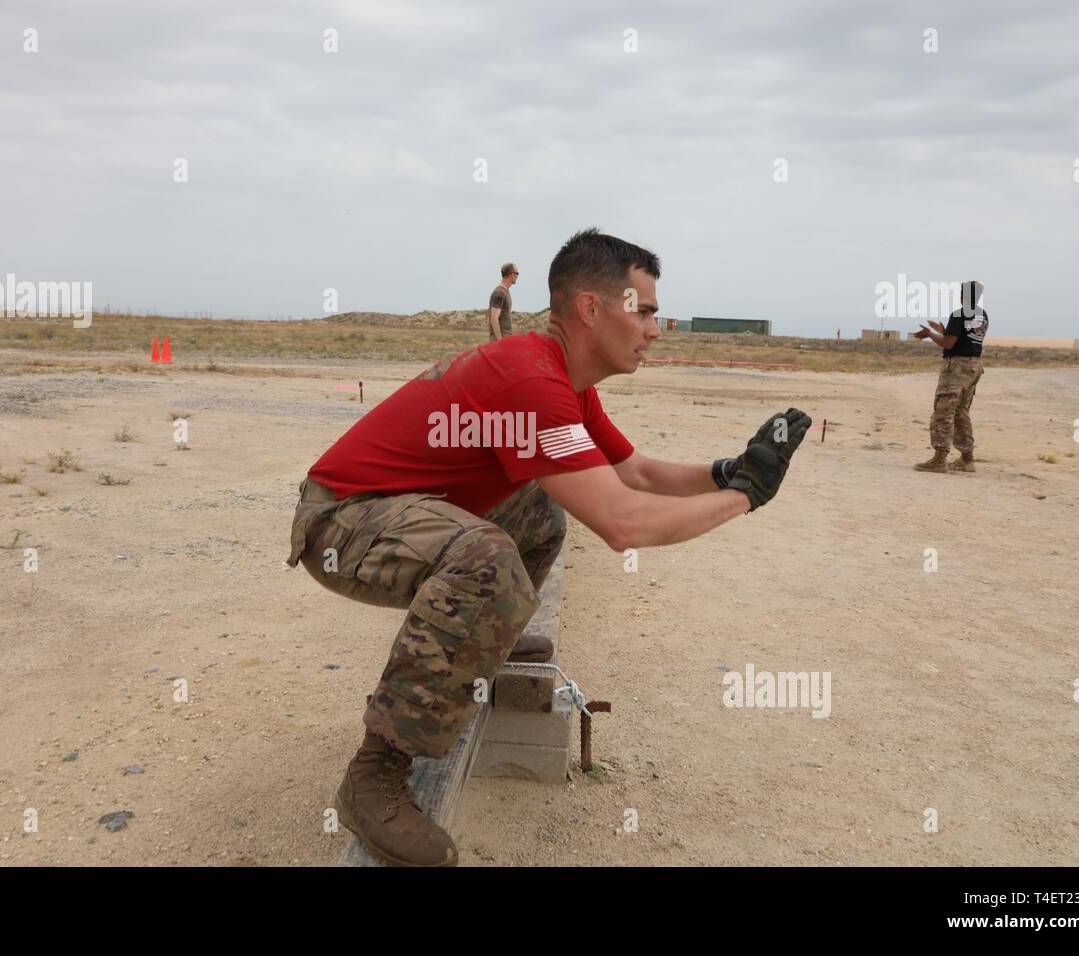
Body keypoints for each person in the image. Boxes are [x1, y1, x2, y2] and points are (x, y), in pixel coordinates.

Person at [285, 228, 812, 866]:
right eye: (644, 311)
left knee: (540, 513)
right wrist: (746, 499)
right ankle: (374, 776)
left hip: (390, 513)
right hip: (339, 521)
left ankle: (492, 639)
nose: (655, 329)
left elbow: (636, 473)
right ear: (591, 308)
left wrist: (729, 472)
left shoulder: (564, 381)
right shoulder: (528, 379)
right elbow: (623, 522)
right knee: (485, 559)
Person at [913, 281, 989, 473]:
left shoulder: (959, 314)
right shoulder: (982, 315)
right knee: (961, 412)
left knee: (944, 411)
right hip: (973, 366)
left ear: (963, 295)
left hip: (957, 368)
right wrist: (941, 330)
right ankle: (967, 459)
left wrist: (930, 334)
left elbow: (948, 343)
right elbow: (964, 337)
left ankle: (940, 459)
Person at [487, 262, 518, 340]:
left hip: (506, 338)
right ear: (512, 274)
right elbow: (494, 318)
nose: (517, 276)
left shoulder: (504, 291)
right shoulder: (499, 293)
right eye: (517, 273)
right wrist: (500, 340)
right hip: (500, 339)